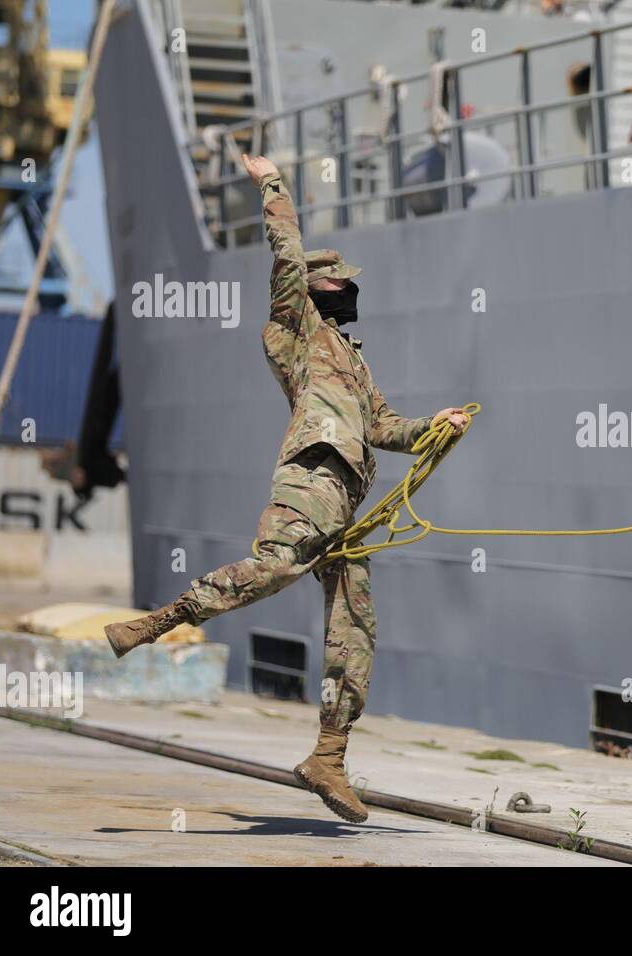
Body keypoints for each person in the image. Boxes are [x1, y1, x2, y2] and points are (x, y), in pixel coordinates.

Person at [105, 154, 468, 823]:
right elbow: (288, 258)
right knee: (274, 570)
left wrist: (434, 429)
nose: (349, 291)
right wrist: (271, 184)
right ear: (320, 286)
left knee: (356, 627)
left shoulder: (352, 361)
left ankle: (327, 756)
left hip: (346, 501)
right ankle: (162, 620)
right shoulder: (294, 328)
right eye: (341, 281)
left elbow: (384, 425)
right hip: (311, 477)